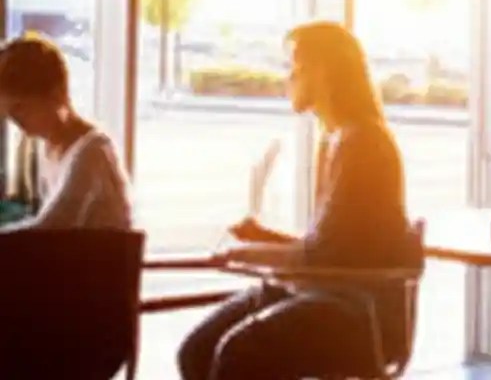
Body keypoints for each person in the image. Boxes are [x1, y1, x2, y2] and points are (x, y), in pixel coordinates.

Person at [178, 21, 422, 380]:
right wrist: (264, 238)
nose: (288, 78)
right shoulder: (336, 140)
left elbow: (324, 258)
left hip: (359, 311)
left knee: (239, 354)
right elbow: (333, 249)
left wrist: (247, 254)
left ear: (323, 71)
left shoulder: (363, 145)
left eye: (296, 66)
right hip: (327, 291)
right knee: (196, 351)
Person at [0, 34, 130, 231]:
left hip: (97, 261)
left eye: (20, 108)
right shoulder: (47, 147)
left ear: (56, 94)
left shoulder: (93, 152)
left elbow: (52, 229)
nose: (14, 120)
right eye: (8, 112)